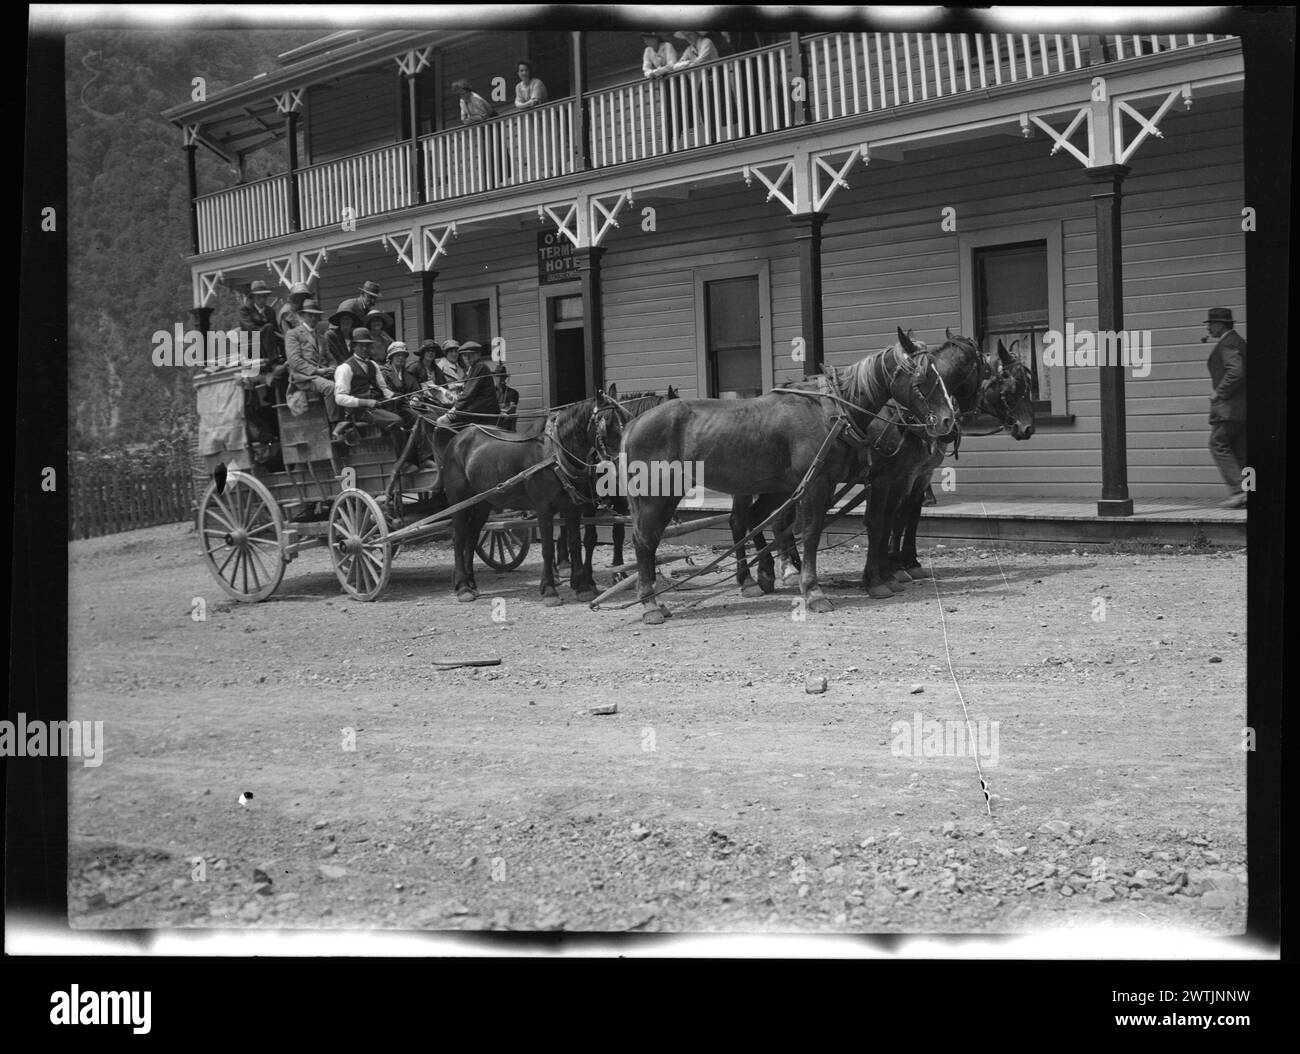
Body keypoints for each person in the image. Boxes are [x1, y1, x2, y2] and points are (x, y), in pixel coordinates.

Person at [332, 328, 413, 460]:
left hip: (377, 406)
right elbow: (340, 398)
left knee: (412, 416)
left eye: (367, 346)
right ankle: (402, 462)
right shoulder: (344, 368)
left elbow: (384, 389)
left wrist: (393, 396)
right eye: (361, 346)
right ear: (353, 346)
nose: (365, 349)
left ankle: (420, 457)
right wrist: (365, 402)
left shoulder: (373, 365)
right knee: (396, 421)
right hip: (360, 412)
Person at [1204, 307, 1247, 508]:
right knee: (1240, 450)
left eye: (1211, 324)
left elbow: (1236, 372)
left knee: (1218, 444)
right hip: (1241, 409)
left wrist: (1219, 392)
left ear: (1220, 324)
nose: (1209, 328)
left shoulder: (1229, 343)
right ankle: (1249, 491)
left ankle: (1239, 491)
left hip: (1230, 409)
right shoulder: (1237, 341)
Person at [285, 299, 337, 418]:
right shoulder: (293, 334)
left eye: (316, 315)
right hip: (305, 378)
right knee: (330, 387)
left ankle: (351, 418)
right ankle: (336, 424)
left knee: (348, 381)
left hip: (324, 375)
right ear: (303, 316)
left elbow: (331, 358)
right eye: (310, 315)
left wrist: (332, 367)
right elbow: (294, 361)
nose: (313, 318)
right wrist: (318, 371)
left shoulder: (321, 337)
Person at [437, 340, 499, 428]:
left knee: (441, 421)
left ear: (478, 355)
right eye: (465, 355)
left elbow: (468, 394)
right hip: (479, 406)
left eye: (471, 355)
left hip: (482, 408)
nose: (467, 358)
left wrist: (454, 409)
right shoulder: (473, 367)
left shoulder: (479, 367)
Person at [324, 299, 363, 366]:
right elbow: (333, 357)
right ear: (339, 321)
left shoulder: (355, 336)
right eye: (343, 319)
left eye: (348, 319)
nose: (346, 321)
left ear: (352, 321)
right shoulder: (331, 335)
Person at [494, 362, 520, 431]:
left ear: (505, 378)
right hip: (493, 424)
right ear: (494, 377)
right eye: (497, 376)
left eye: (502, 376)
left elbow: (512, 408)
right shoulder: (491, 393)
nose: (499, 379)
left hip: (507, 424)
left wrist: (504, 412)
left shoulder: (513, 393)